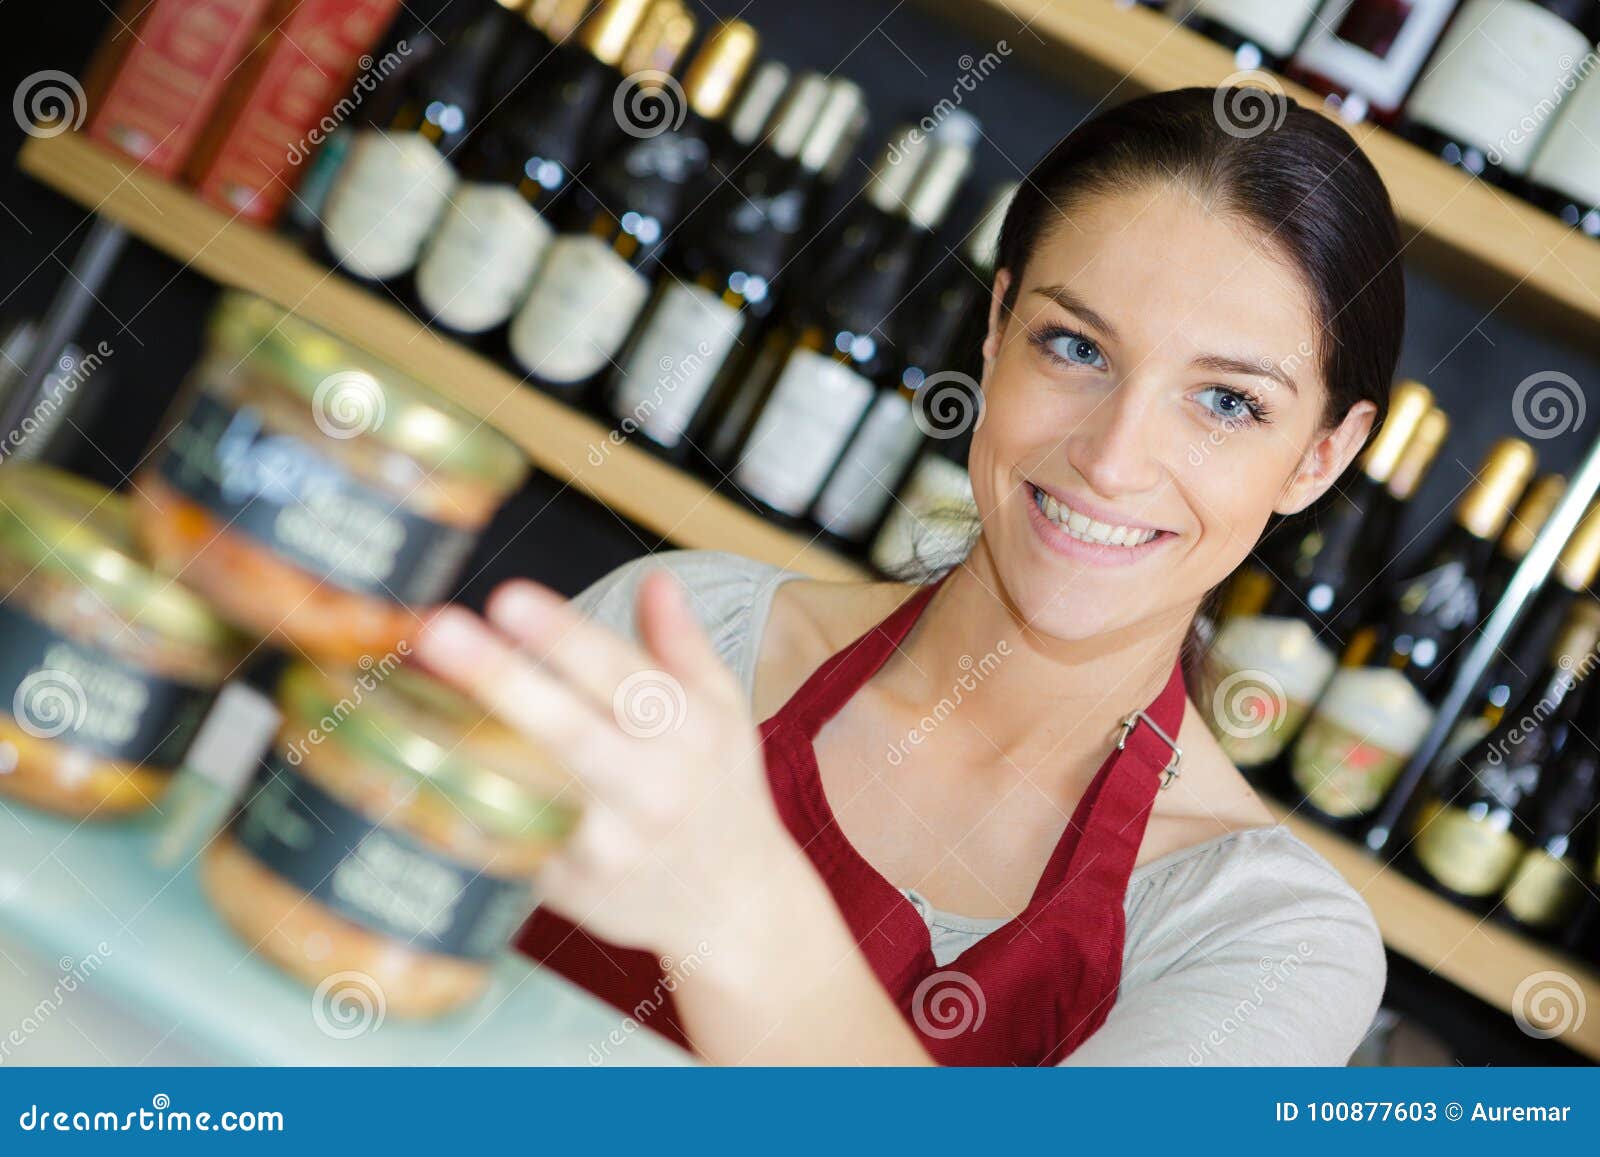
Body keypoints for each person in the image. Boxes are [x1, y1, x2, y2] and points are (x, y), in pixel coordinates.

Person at [417, 86, 1401, 1065]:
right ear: (996, 327)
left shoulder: (1269, 935)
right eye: (1074, 346)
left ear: (1321, 455)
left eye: (1227, 401)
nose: (1111, 459)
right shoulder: (688, 634)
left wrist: (735, 900)